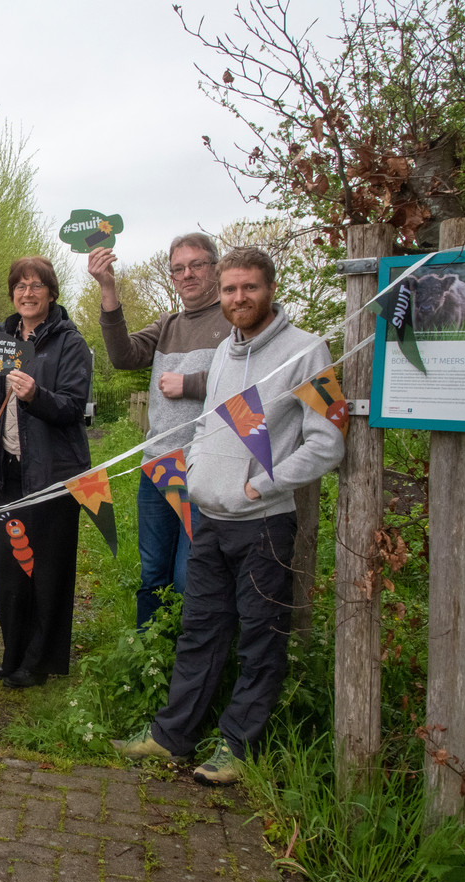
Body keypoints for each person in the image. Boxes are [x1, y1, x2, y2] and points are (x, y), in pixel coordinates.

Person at [112, 247, 344, 785]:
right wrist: (195, 473)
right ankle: (173, 736)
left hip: (263, 522)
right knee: (200, 630)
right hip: (208, 516)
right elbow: (210, 426)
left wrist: (264, 483)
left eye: (250, 288)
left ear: (270, 288)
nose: (239, 299)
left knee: (261, 638)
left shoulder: (308, 352)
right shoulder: (223, 353)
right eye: (231, 289)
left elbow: (327, 442)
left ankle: (238, 748)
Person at [89, 234, 229, 629]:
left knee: (190, 578)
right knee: (153, 575)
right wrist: (108, 289)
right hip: (157, 468)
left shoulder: (234, 318)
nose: (187, 275)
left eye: (197, 265)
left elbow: (252, 381)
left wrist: (191, 384)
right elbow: (123, 355)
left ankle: (189, 661)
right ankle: (147, 660)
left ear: (215, 268)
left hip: (206, 468)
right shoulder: (167, 324)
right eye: (178, 268)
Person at [0, 257, 93, 688]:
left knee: (46, 571)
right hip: (4, 471)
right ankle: (13, 654)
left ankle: (40, 661)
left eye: (36, 286)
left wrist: (36, 395)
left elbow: (73, 406)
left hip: (53, 472)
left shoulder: (69, 341)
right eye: (20, 286)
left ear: (51, 292)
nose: (27, 293)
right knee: (8, 570)